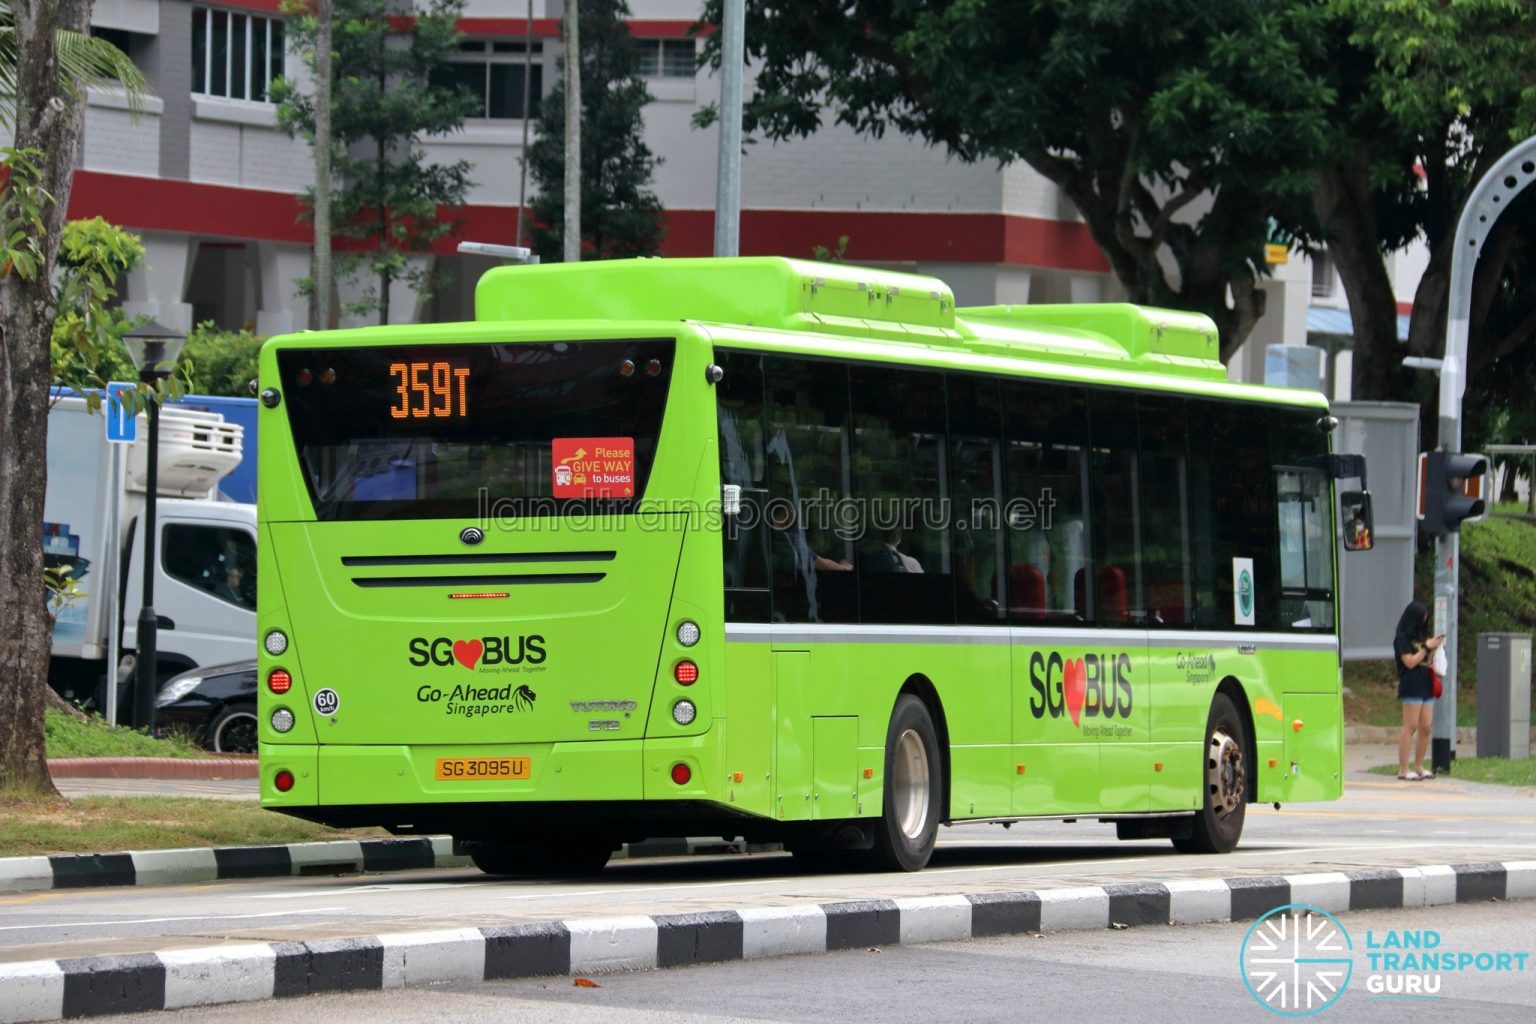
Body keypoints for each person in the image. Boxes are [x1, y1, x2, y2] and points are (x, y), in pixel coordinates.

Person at [1393, 600, 1443, 780]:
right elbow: (1409, 662)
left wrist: (1433, 651)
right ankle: (1403, 768)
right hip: (1411, 683)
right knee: (1410, 725)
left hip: (1425, 683)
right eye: (1421, 619)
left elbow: (1424, 661)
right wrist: (1425, 648)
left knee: (1425, 726)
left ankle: (1419, 765)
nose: (1423, 623)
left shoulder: (1421, 638)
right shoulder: (1402, 638)